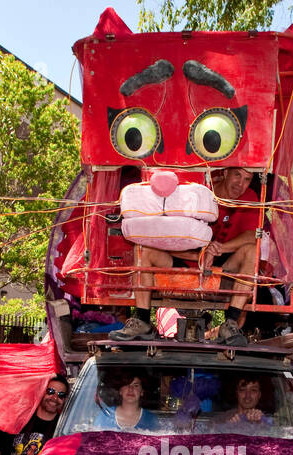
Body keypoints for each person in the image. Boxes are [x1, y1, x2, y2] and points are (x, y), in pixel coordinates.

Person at [111, 167, 261, 346]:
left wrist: (218, 249)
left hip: (222, 262)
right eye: (237, 175)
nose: (240, 184)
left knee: (253, 250)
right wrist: (197, 254)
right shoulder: (199, 190)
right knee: (142, 248)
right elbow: (164, 233)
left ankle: (230, 323)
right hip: (183, 257)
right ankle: (142, 319)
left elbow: (253, 234)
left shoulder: (250, 196)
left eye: (247, 179)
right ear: (226, 172)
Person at [0, 375, 68, 455]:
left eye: (61, 395)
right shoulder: (16, 417)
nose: (55, 398)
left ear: (65, 400)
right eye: (50, 391)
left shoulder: (64, 431)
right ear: (41, 392)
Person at [94, 370, 159, 432]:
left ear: (142, 391)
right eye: (126, 385)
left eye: (136, 386)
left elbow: (162, 442)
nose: (131, 389)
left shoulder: (151, 420)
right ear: (120, 390)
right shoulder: (105, 415)